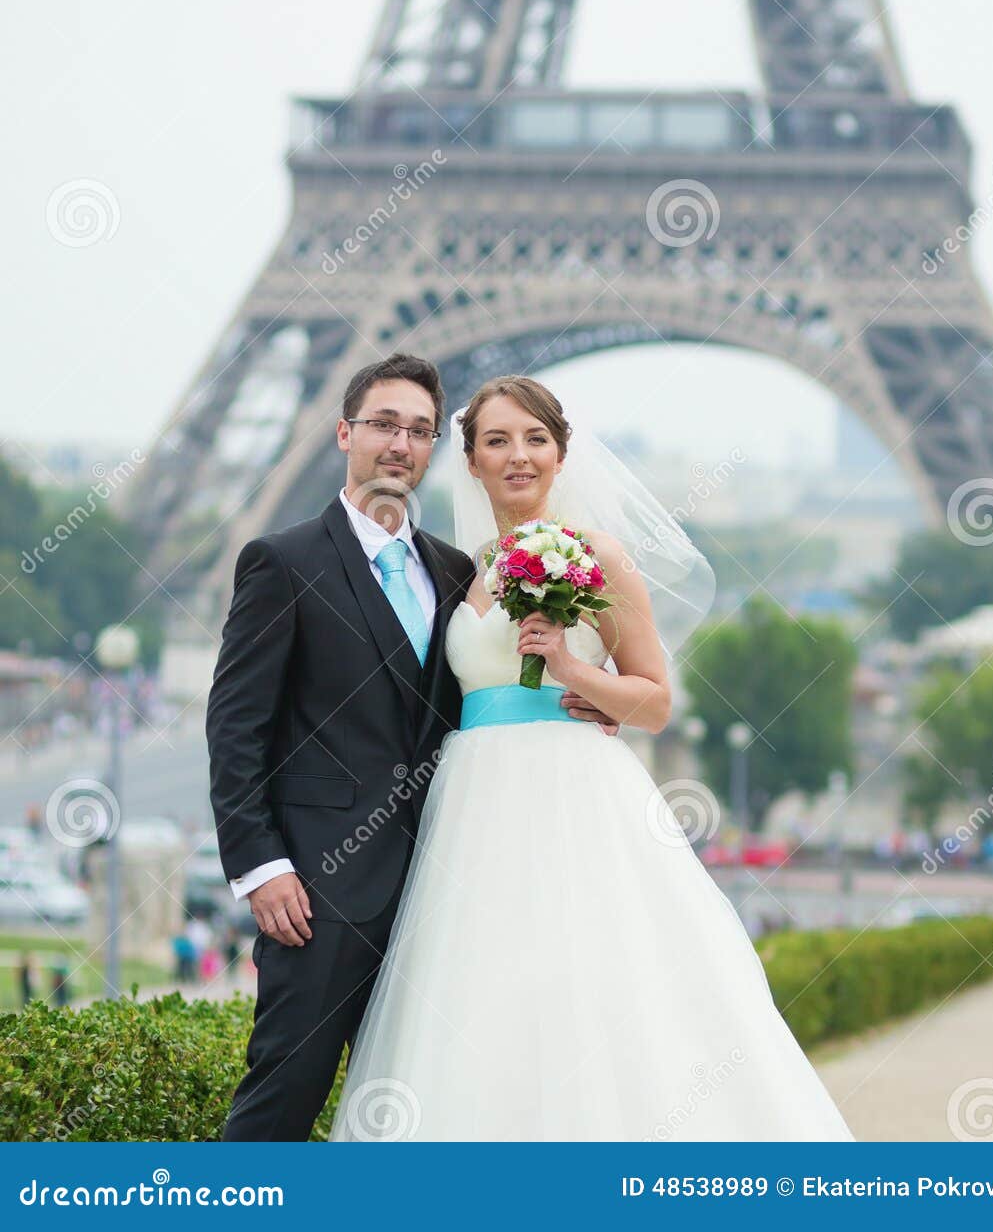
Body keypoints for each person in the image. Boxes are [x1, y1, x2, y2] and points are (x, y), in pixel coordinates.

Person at [328, 376, 856, 1142]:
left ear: (562, 453)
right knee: (481, 994)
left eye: (535, 439)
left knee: (588, 983)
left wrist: (573, 671)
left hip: (570, 792)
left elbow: (657, 699)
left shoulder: (595, 554)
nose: (518, 457)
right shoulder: (459, 569)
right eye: (497, 442)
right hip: (472, 804)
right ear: (469, 462)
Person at [206, 354, 616, 1141]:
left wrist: (587, 700)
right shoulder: (282, 562)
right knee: (282, 1095)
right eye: (384, 425)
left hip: (449, 884)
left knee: (426, 1112)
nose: (400, 443)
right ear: (343, 434)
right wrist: (261, 866)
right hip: (319, 891)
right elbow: (235, 727)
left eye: (419, 430)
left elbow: (487, 694)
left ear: (435, 449)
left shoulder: (461, 571)